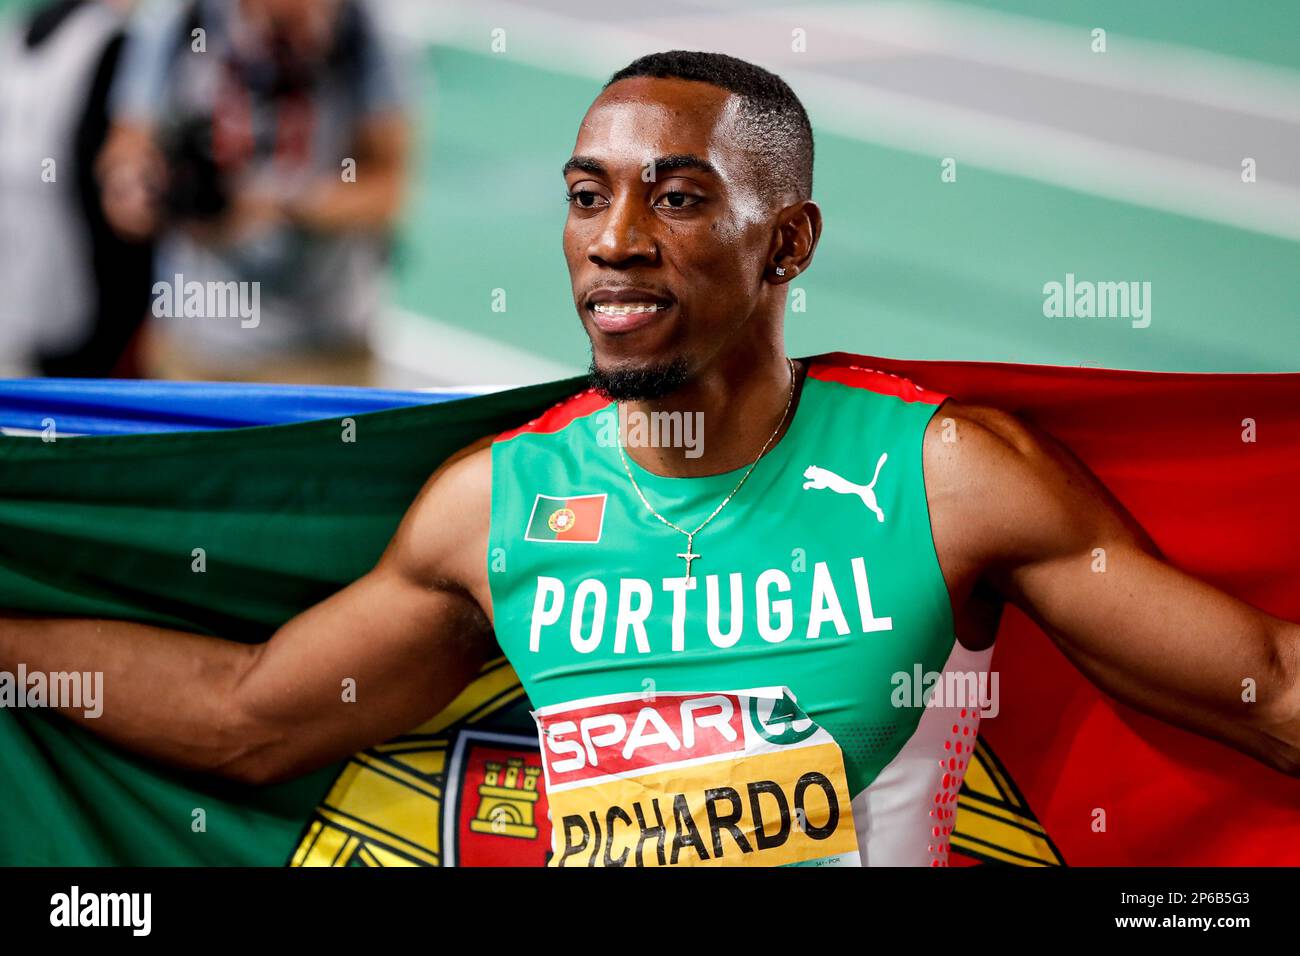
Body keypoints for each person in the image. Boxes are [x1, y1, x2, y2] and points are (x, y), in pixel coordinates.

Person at [2, 52, 1297, 867]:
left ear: (787, 243)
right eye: (585, 195)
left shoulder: (945, 478)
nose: (613, 240)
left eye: (677, 197)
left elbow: (1269, 692)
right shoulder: (497, 508)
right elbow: (248, 722)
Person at [96, 0, 409, 384]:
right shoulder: (179, 20)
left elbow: (391, 189)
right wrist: (136, 189)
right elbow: (126, 146)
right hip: (194, 348)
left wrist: (280, 204)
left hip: (326, 354)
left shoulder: (368, 32)